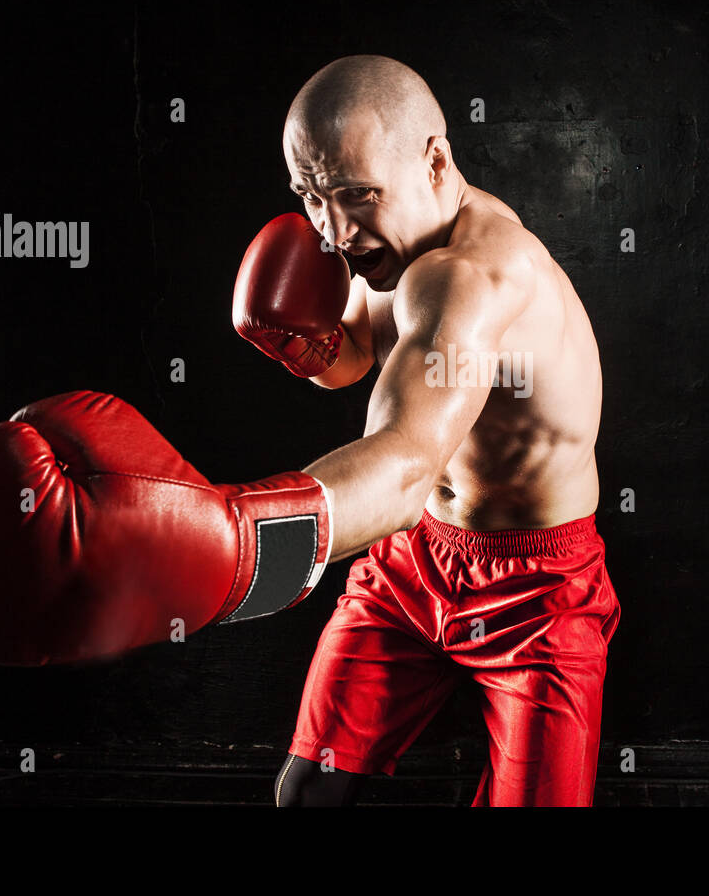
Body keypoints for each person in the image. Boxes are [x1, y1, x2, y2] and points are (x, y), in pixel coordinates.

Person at [245, 55, 621, 807]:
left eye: (356, 195)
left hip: (537, 588)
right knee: (308, 791)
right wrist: (305, 344)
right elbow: (354, 358)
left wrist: (237, 538)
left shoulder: (477, 274)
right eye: (311, 197)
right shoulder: (379, 244)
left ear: (437, 160)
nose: (333, 229)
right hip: (410, 557)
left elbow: (407, 462)